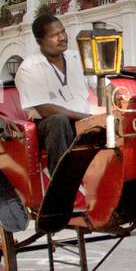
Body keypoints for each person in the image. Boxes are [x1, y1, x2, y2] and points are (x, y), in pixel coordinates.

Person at [14, 13, 102, 172]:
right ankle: (62, 180)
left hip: (83, 122)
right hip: (48, 127)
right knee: (59, 121)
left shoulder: (78, 57)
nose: (62, 37)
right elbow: (44, 109)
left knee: (110, 122)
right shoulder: (29, 68)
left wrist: (120, 99)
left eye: (63, 31)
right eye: (55, 35)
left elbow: (100, 84)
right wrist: (85, 118)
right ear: (39, 42)